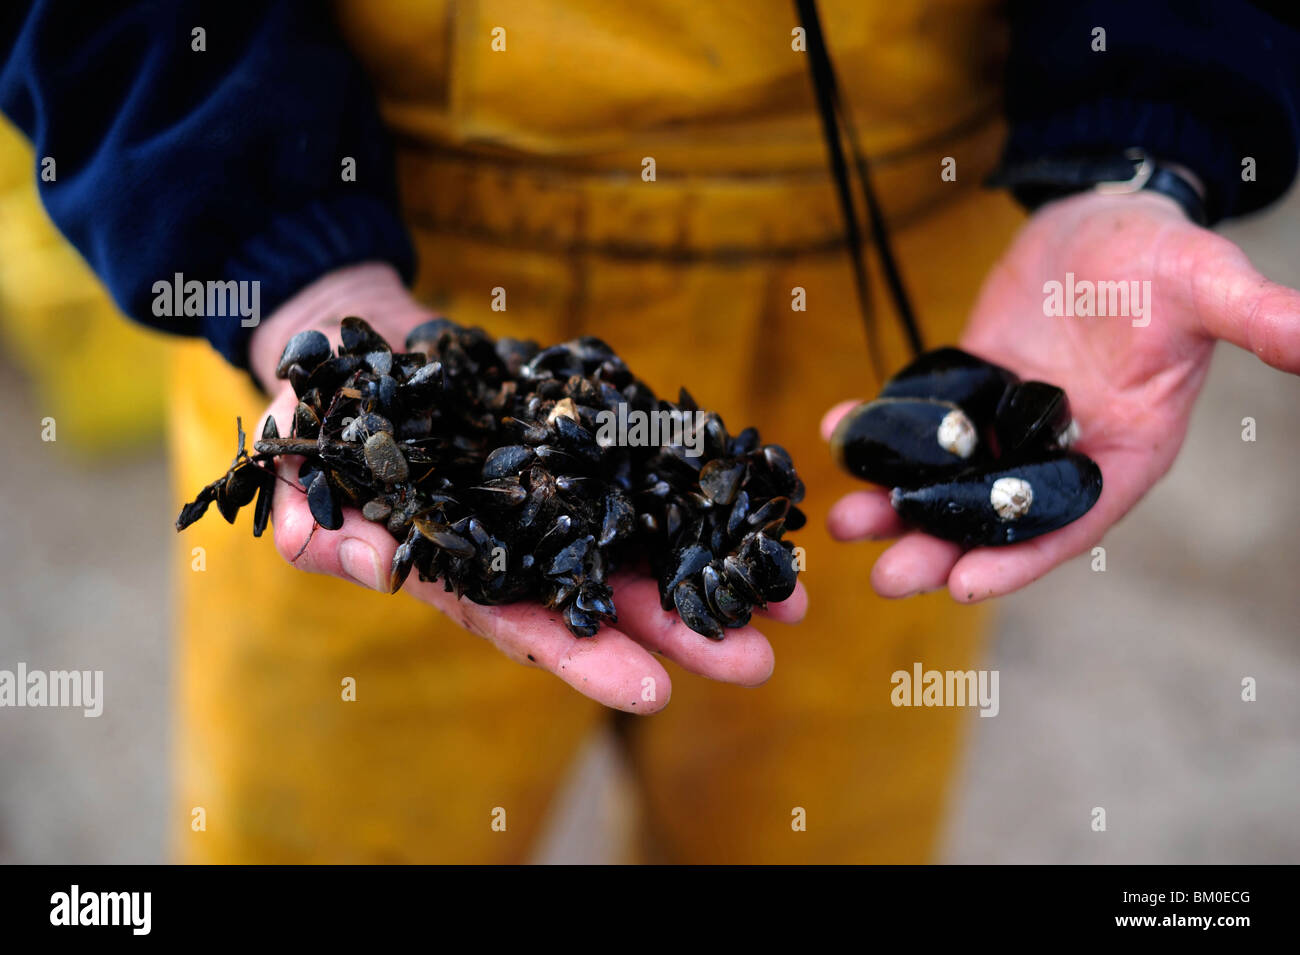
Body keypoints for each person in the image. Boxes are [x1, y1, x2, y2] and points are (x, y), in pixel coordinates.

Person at [2, 0, 1298, 863]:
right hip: (357, 233)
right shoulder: (361, 355)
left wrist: (1146, 136)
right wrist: (272, 252)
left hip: (913, 248)